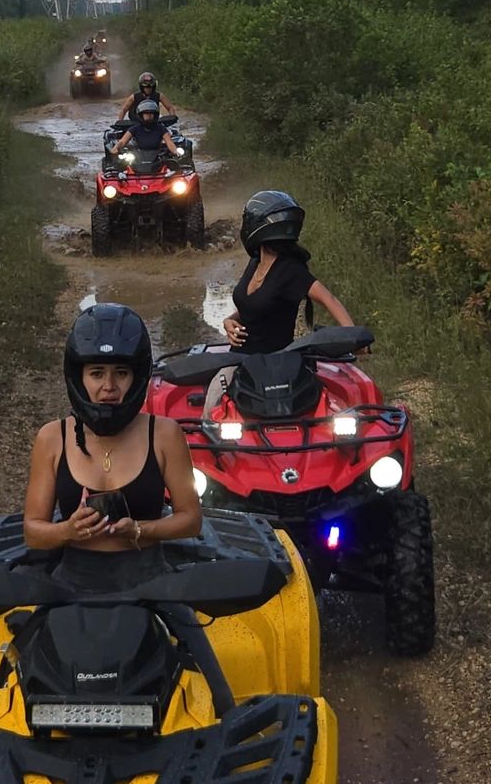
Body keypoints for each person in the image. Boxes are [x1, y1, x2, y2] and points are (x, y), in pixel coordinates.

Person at [24, 303, 201, 575]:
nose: (109, 386)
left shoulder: (165, 434)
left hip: (148, 572)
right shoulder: (52, 438)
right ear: (79, 378)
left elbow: (191, 520)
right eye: (96, 373)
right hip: (73, 575)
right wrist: (67, 530)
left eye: (121, 373)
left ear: (137, 376)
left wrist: (140, 530)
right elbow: (33, 532)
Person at [224, 190, 355, 355]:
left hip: (275, 366)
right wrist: (230, 320)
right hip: (239, 361)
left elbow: (329, 299)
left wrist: (355, 339)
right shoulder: (255, 262)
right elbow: (254, 308)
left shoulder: (291, 270)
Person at [109, 96, 181, 161]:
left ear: (155, 115)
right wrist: (116, 147)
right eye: (146, 113)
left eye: (151, 113)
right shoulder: (134, 129)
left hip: (158, 158)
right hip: (137, 158)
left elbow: (169, 142)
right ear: (141, 115)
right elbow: (122, 141)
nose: (149, 115)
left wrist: (175, 151)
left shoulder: (161, 129)